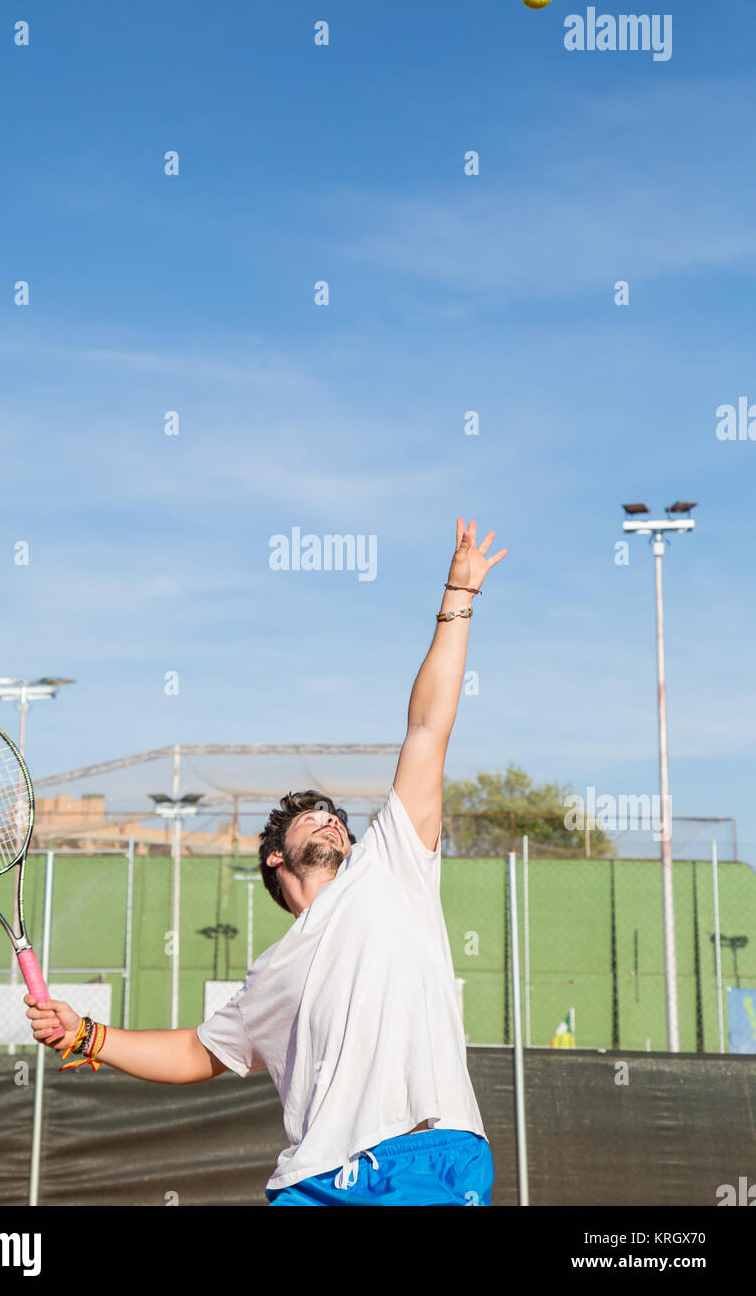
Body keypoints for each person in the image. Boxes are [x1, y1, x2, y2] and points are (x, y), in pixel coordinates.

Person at [26, 515, 507, 1206]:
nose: (334, 819)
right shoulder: (268, 977)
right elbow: (197, 1053)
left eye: (338, 815)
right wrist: (88, 1034)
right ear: (277, 857)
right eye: (314, 815)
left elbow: (428, 727)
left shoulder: (394, 863)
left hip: (428, 1158)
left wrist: (457, 600)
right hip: (312, 1182)